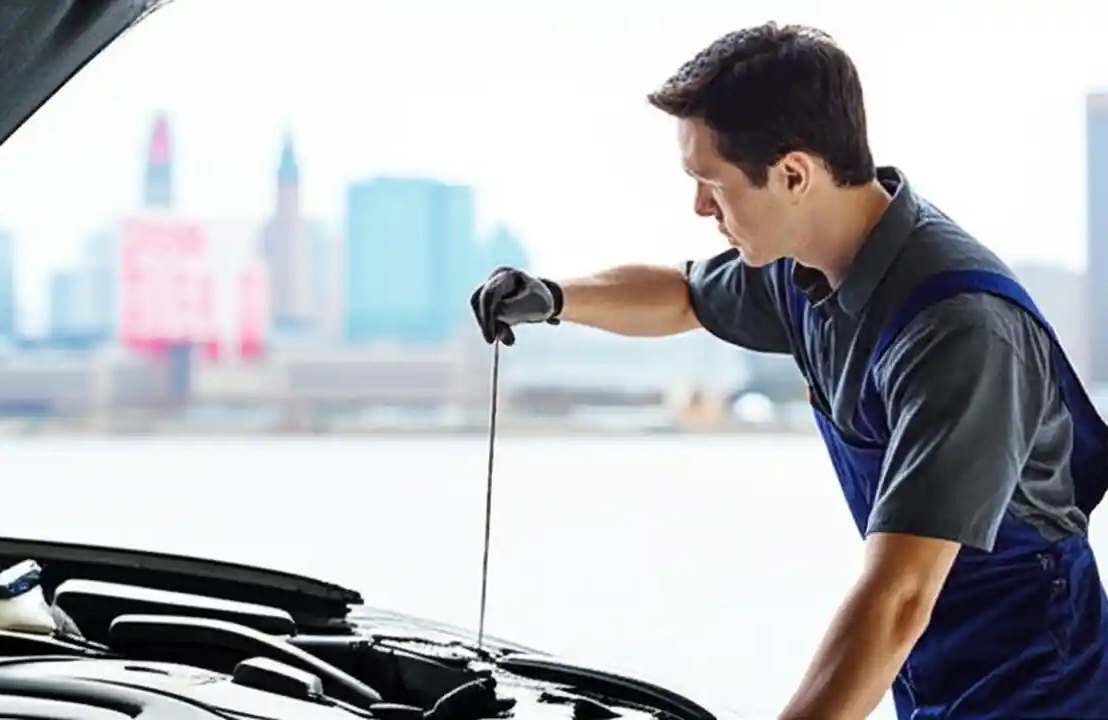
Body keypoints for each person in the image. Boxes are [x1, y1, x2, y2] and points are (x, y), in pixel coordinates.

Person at [469, 21, 1108, 720]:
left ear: (794, 174)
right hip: (932, 659)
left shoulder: (957, 330)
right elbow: (685, 295)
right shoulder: (803, 269)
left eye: (711, 183)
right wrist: (555, 297)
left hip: (1044, 679)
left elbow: (898, 598)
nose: (700, 208)